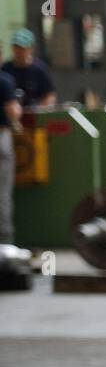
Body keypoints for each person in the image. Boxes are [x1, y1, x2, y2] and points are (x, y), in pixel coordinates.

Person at [2, 29, 56, 108]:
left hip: (34, 115)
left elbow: (49, 95)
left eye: (22, 48)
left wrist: (43, 109)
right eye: (16, 47)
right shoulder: (6, 69)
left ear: (31, 48)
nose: (18, 51)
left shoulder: (40, 69)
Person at [0, 69, 21, 244]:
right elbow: (12, 111)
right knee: (2, 195)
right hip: (1, 138)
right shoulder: (4, 81)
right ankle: (5, 244)